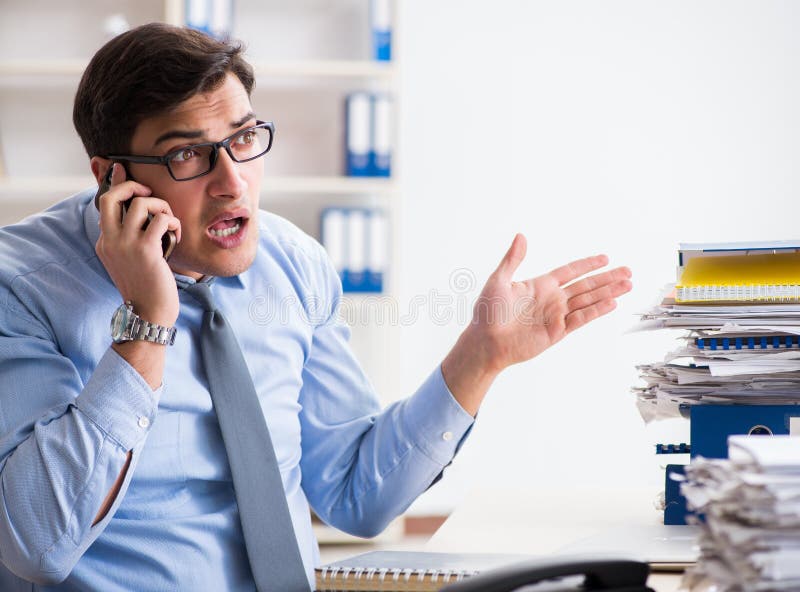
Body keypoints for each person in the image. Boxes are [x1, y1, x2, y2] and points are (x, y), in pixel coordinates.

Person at [0, 23, 632, 591]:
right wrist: (146, 321)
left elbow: (355, 495)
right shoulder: (21, 285)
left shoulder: (292, 264)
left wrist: (479, 357)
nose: (232, 181)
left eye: (243, 137)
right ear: (112, 178)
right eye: (187, 154)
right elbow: (36, 546)